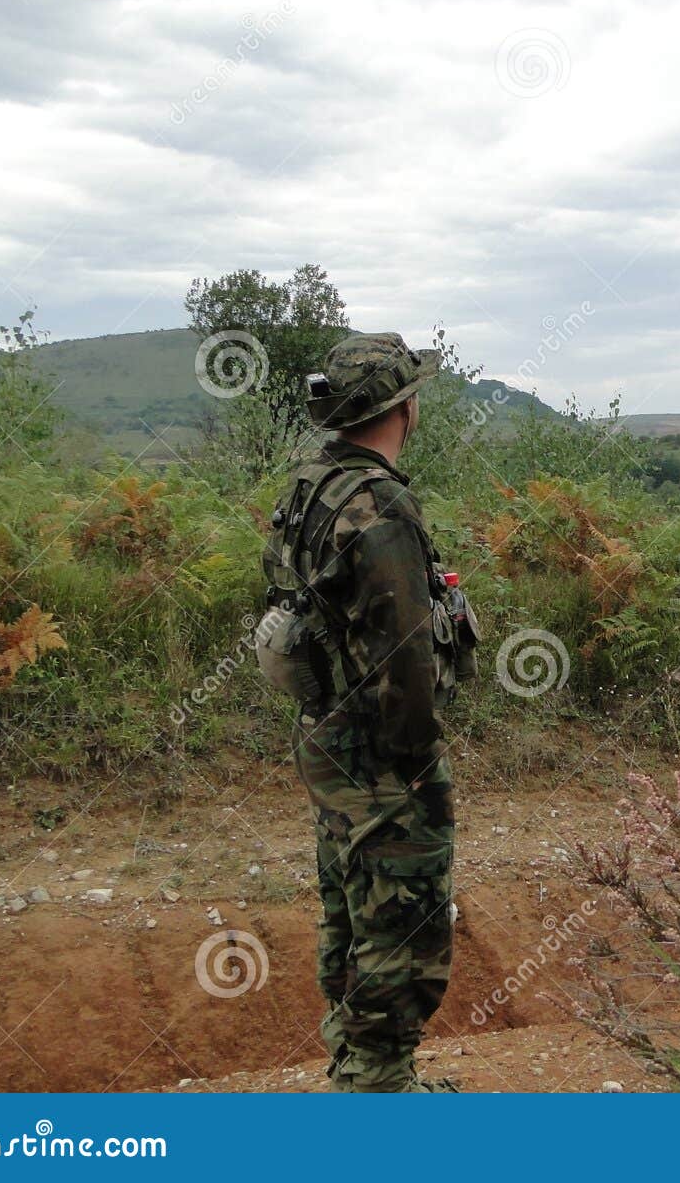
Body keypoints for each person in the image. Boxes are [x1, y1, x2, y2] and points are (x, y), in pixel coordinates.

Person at [259, 333, 454, 1093]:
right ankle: (376, 1089)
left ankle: (361, 1071)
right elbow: (404, 655)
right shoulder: (378, 503)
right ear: (401, 408)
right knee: (401, 922)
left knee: (348, 900)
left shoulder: (311, 485)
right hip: (379, 755)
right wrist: (414, 763)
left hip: (327, 735)